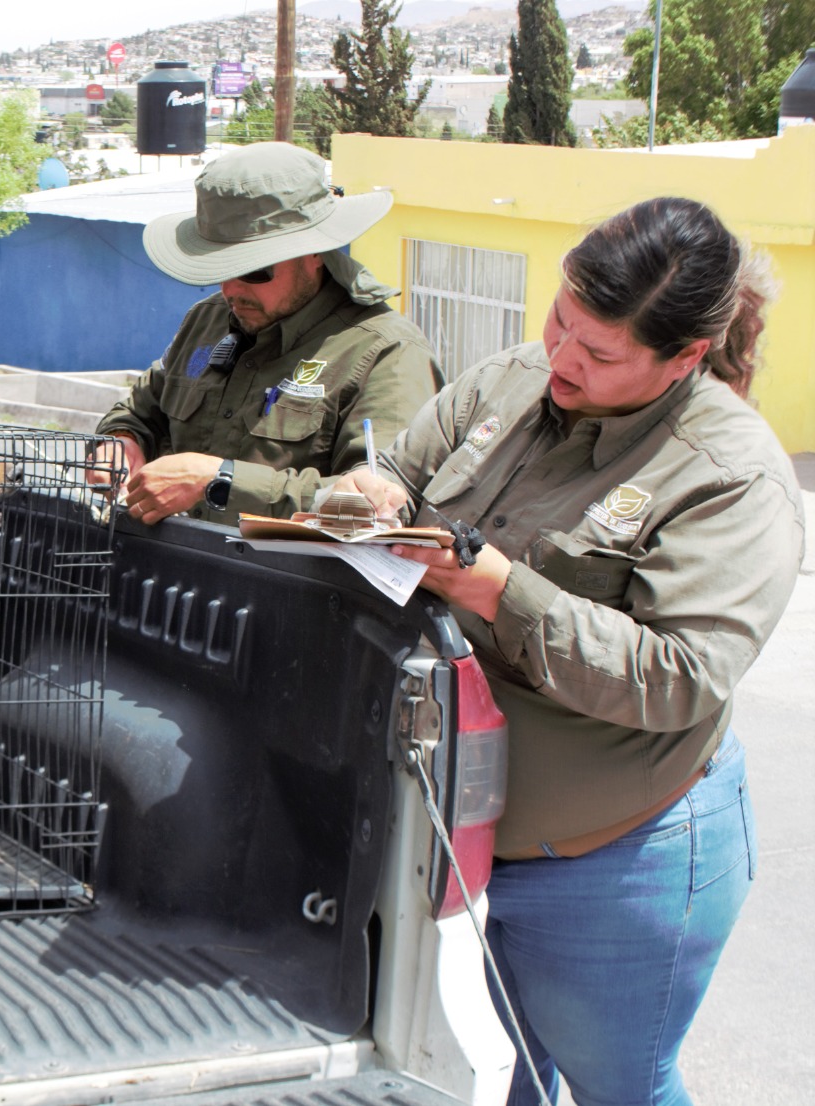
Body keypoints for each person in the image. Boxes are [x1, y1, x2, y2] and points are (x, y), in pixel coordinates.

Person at [335, 196, 805, 1106]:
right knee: (483, 1080)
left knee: (620, 1088)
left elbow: (680, 678)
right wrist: (370, 492)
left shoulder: (731, 475)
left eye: (601, 354)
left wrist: (493, 588)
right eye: (560, 321)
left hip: (611, 862)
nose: (561, 359)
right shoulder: (509, 380)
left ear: (686, 357)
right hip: (448, 840)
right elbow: (399, 470)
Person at [86, 142, 443, 525]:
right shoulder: (208, 320)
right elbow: (141, 410)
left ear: (316, 251)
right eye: (219, 269)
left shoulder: (387, 353)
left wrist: (220, 482)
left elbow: (381, 505)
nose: (231, 290)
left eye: (254, 270)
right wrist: (122, 441)